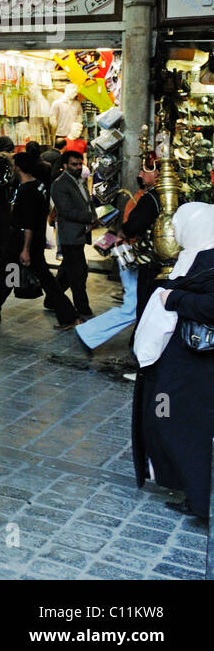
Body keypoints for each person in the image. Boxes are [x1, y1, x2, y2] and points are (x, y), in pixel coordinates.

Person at [133, 202, 214, 522]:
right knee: (179, 421)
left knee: (178, 422)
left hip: (194, 359)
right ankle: (189, 490)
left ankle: (195, 498)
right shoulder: (198, 251)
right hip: (185, 357)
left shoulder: (209, 257)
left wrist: (173, 299)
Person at [0, 152, 81, 330]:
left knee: (41, 279)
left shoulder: (28, 191)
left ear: (19, 167)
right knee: (10, 276)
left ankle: (69, 316)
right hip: (31, 242)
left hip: (23, 243)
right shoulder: (38, 185)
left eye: (14, 164)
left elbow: (27, 224)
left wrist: (25, 249)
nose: (12, 167)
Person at [77, 163, 162, 349]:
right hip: (146, 259)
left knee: (135, 305)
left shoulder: (151, 198)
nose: (139, 174)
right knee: (135, 306)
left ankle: (91, 333)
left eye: (144, 171)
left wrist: (123, 235)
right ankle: (91, 333)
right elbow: (132, 226)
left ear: (157, 173)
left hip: (145, 259)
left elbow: (132, 226)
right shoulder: (151, 198)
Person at [50, 148, 94, 320]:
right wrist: (89, 218)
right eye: (74, 164)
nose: (78, 167)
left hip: (79, 233)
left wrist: (94, 218)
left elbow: (87, 202)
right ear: (65, 165)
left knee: (69, 271)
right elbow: (66, 211)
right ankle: (82, 308)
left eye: (80, 164)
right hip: (70, 234)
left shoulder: (80, 181)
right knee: (78, 272)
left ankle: (52, 299)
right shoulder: (60, 184)